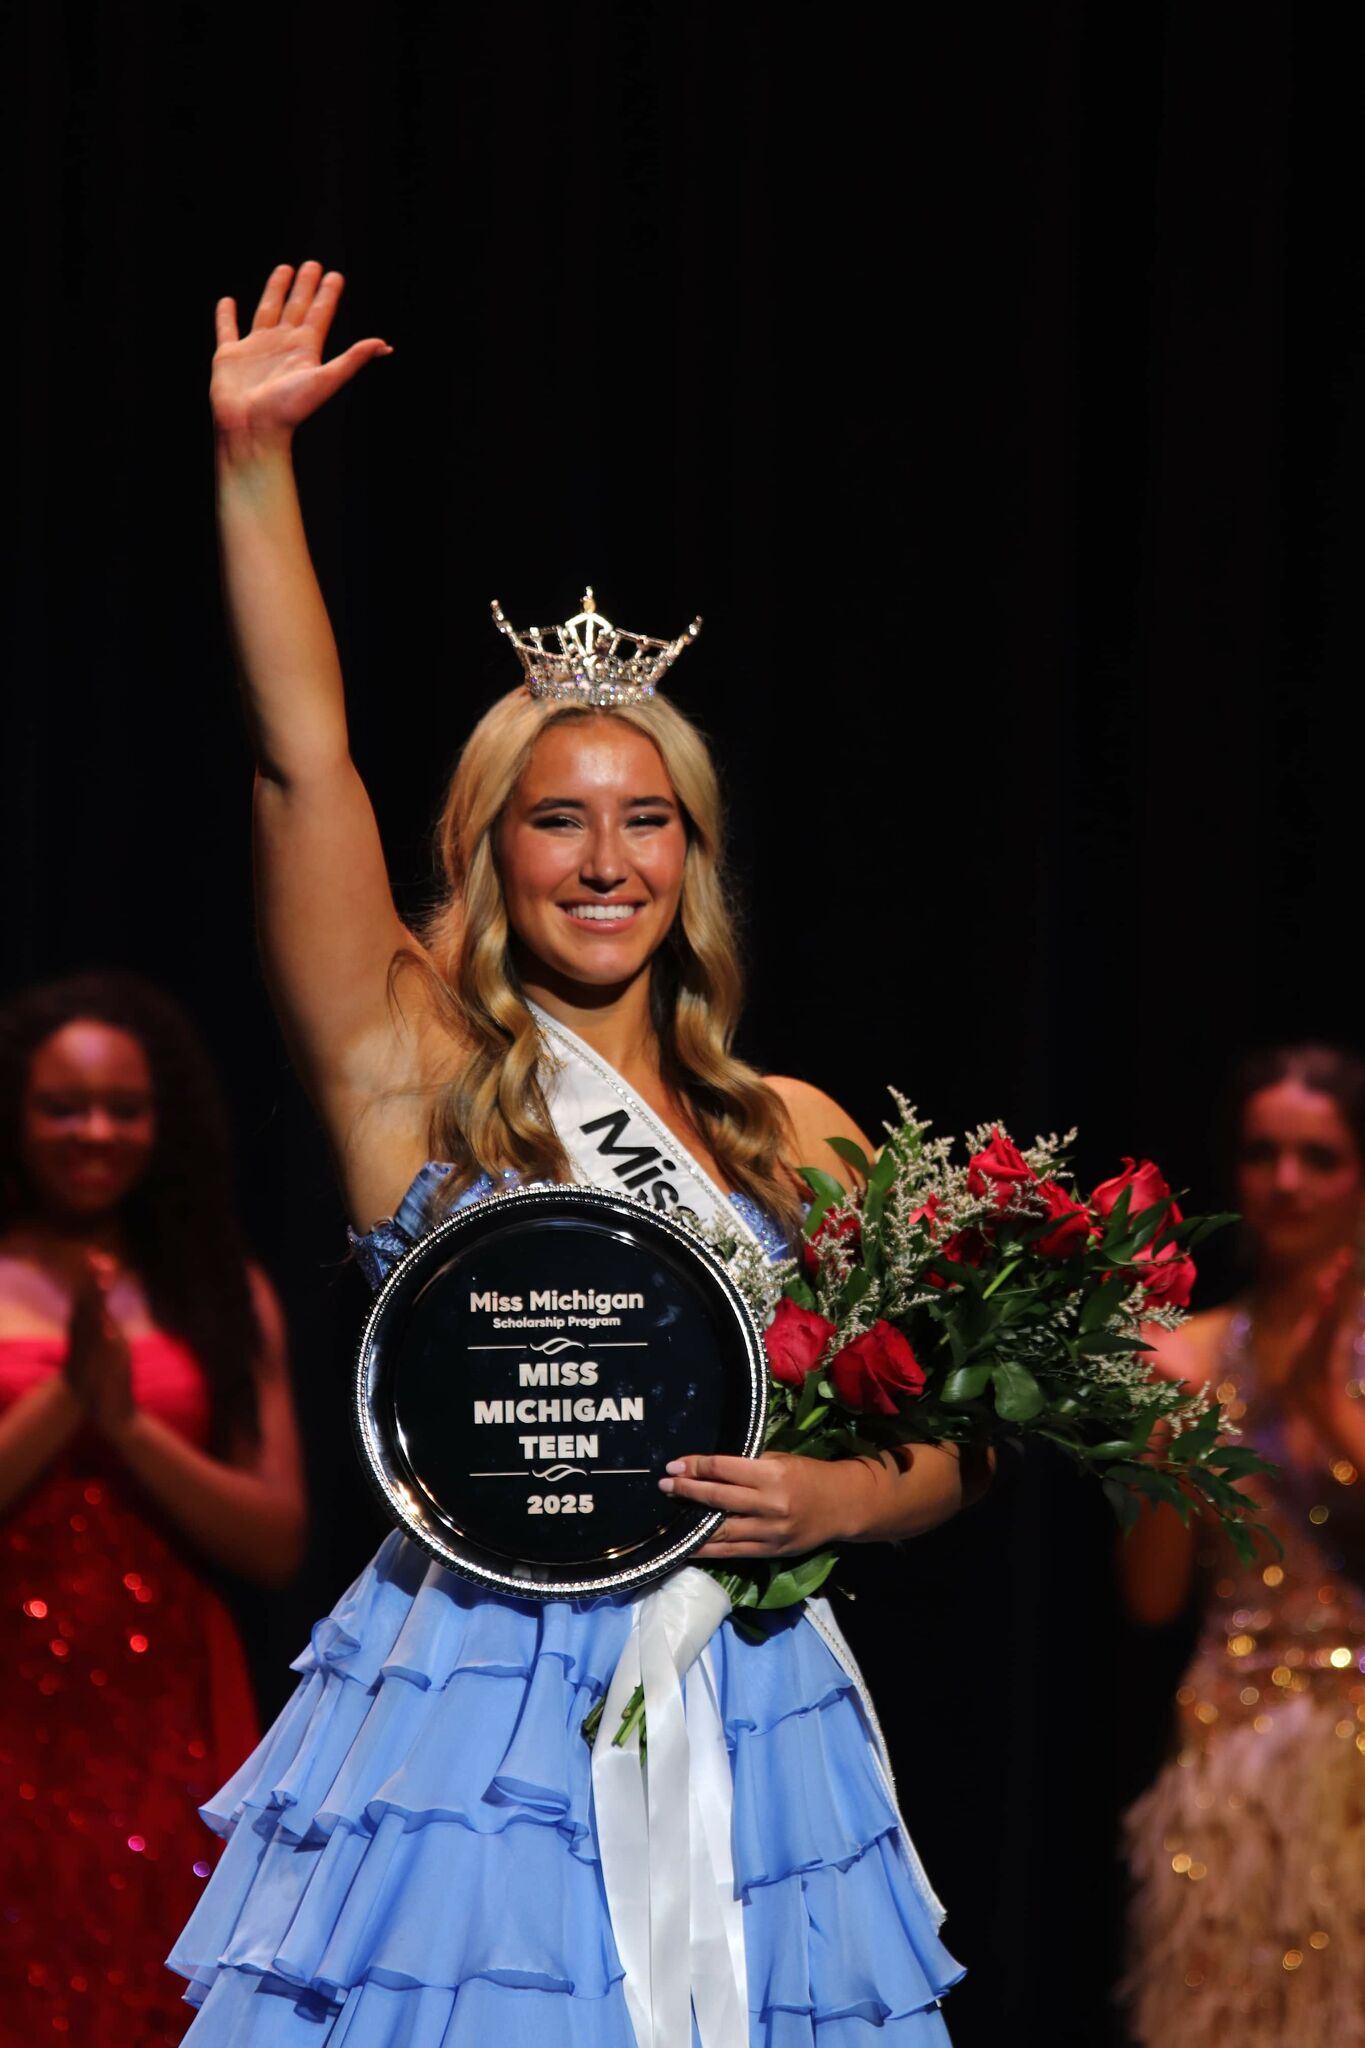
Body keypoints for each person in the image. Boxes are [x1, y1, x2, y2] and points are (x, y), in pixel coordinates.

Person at [172, 257, 977, 2045]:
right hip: (470, 1692)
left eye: (647, 821)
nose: (605, 860)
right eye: (558, 819)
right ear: (487, 850)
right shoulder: (412, 1064)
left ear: (693, 857)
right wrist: (253, 467)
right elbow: (304, 764)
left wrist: (846, 1496)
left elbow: (955, 1434)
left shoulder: (801, 1130)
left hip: (748, 1690)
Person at [0, 971, 307, 2045]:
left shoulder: (220, 1288)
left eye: (123, 1107)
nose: (95, 1130)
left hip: (164, 1705)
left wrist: (127, 1426)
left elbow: (276, 1539)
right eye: (62, 1105)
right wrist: (67, 1399)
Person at [1121, 1043, 1365, 2044]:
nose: (1288, 1181)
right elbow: (1149, 1594)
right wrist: (1157, 1447)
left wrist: (1315, 1400)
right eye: (1265, 1153)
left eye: (1320, 1155)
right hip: (1232, 1769)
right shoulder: (1186, 1355)